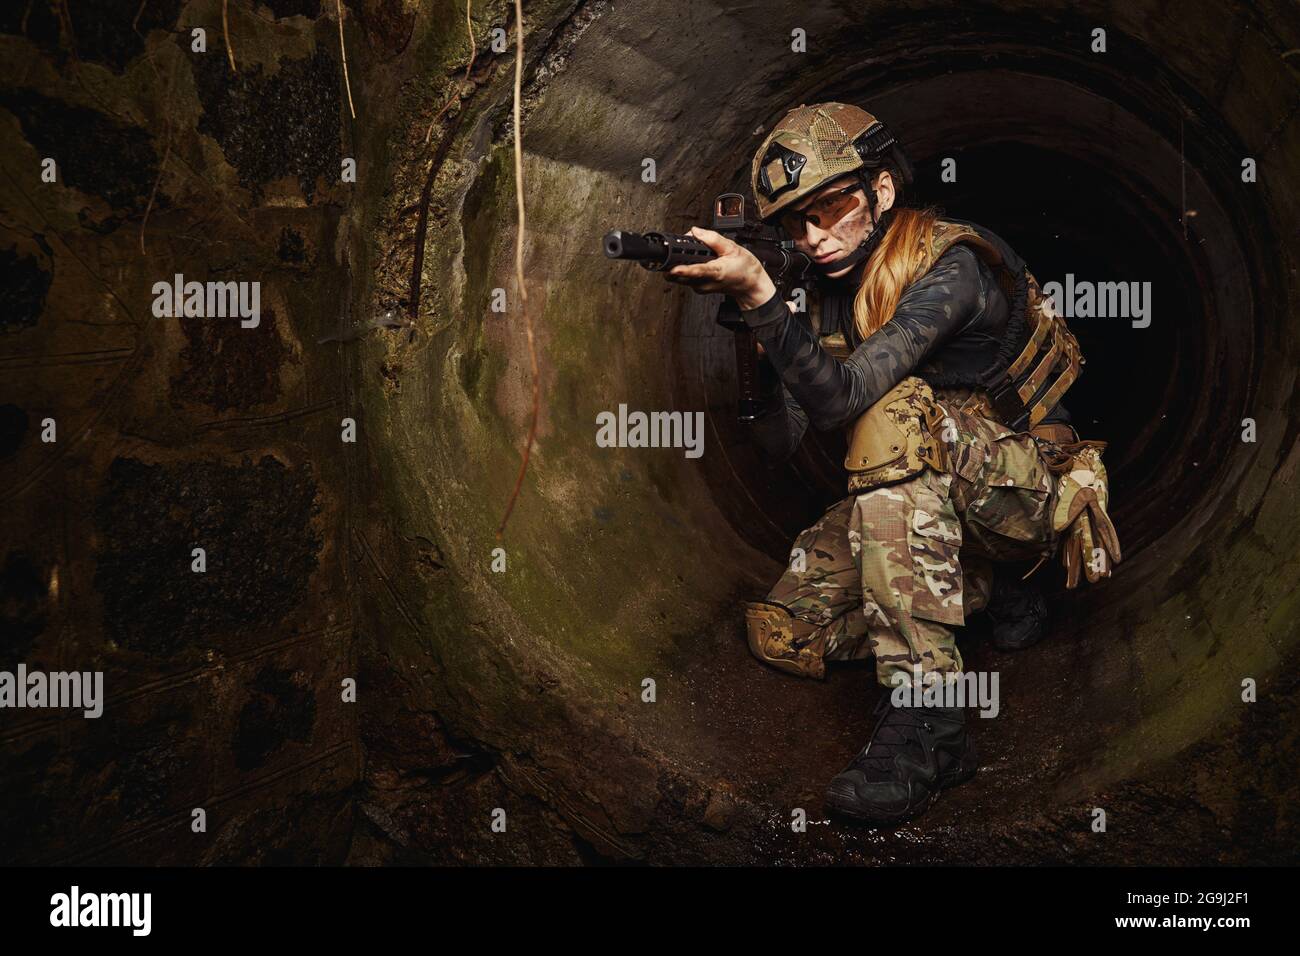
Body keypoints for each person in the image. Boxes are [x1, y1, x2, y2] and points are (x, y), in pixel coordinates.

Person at [666, 102, 1120, 826]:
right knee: (788, 630)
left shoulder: (951, 266)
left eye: (831, 210)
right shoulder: (822, 295)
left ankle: (928, 729)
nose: (813, 239)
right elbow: (780, 442)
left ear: (880, 190)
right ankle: (979, 590)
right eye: (795, 225)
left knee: (890, 419)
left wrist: (760, 297)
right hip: (924, 500)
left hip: (1032, 495)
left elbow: (846, 400)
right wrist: (754, 345)